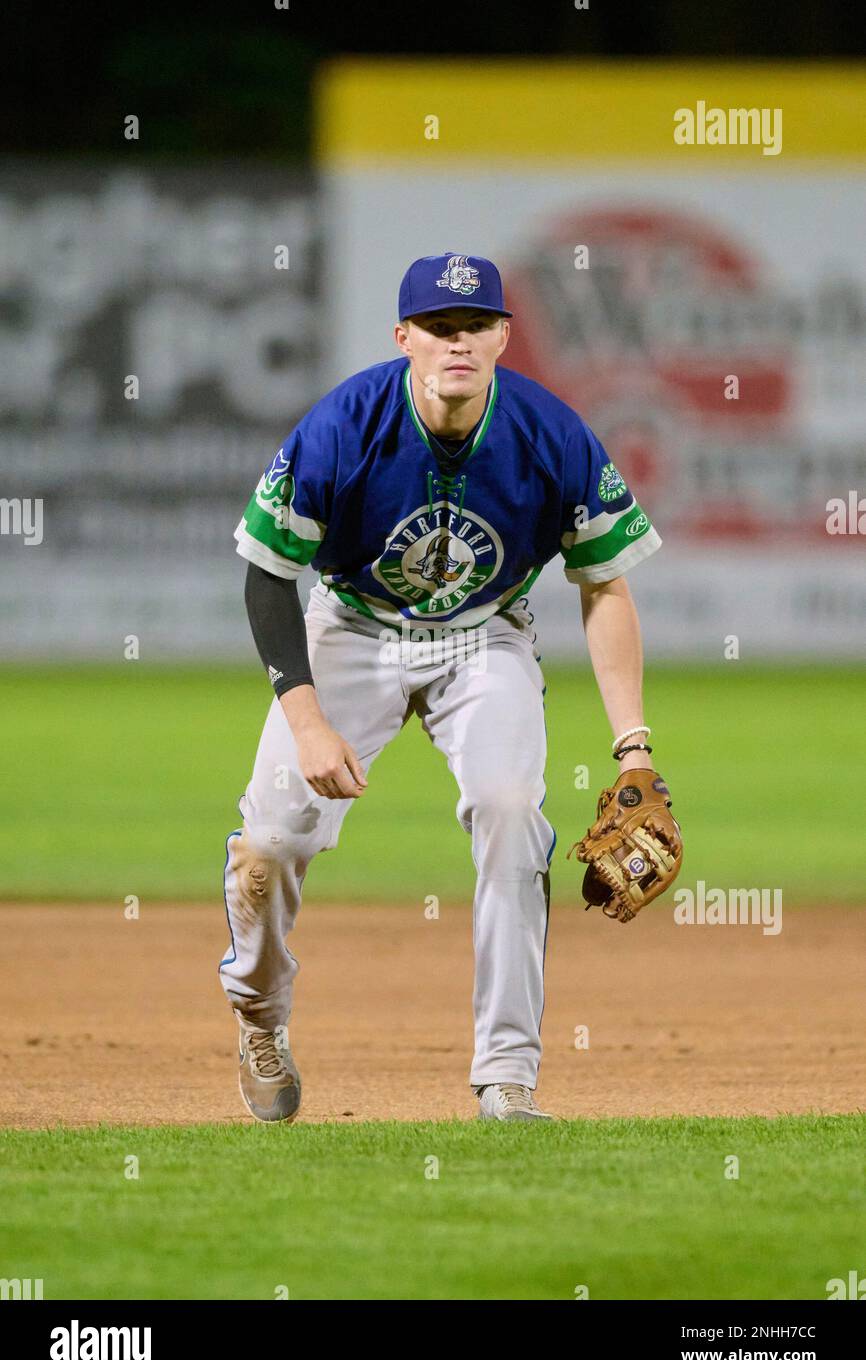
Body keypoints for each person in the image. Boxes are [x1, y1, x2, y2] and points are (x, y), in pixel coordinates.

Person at [219, 252, 662, 1124]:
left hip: (485, 637)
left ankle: (507, 1077)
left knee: (509, 814)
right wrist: (308, 722)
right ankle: (258, 1015)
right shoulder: (344, 425)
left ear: (503, 335)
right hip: (351, 628)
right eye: (437, 327)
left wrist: (634, 745)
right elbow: (266, 576)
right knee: (270, 842)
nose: (456, 343)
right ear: (404, 338)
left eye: (473, 327)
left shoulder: (551, 434)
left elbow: (604, 583)